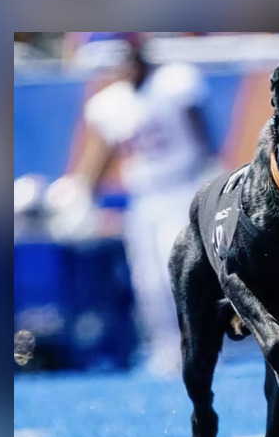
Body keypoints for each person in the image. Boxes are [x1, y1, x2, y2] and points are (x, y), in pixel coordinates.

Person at [48, 34, 216, 376]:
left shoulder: (175, 83)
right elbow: (104, 151)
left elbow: (200, 130)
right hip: (145, 197)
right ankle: (168, 349)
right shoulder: (110, 104)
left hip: (183, 187)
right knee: (148, 281)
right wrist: (83, 191)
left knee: (184, 272)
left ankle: (208, 344)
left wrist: (211, 171)